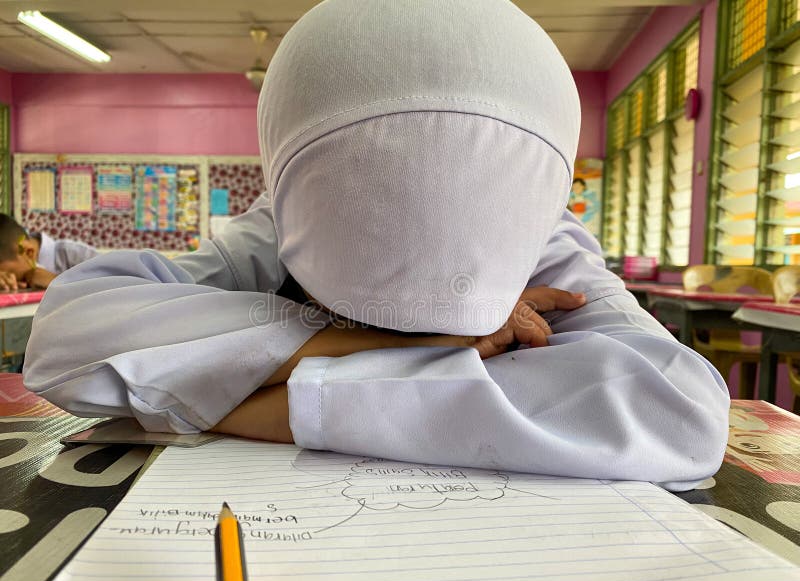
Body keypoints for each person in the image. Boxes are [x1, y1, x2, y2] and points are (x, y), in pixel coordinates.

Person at [22, 0, 729, 492]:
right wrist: (379, 345)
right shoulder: (276, 228)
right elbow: (67, 336)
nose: (415, 328)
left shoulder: (545, 233)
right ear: (302, 207)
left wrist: (239, 400)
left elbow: (679, 412)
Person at [0, 214, 97, 291]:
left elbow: (110, 293)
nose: (8, 277)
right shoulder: (16, 260)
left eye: (7, 273)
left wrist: (59, 283)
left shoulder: (76, 255)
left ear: (29, 252)